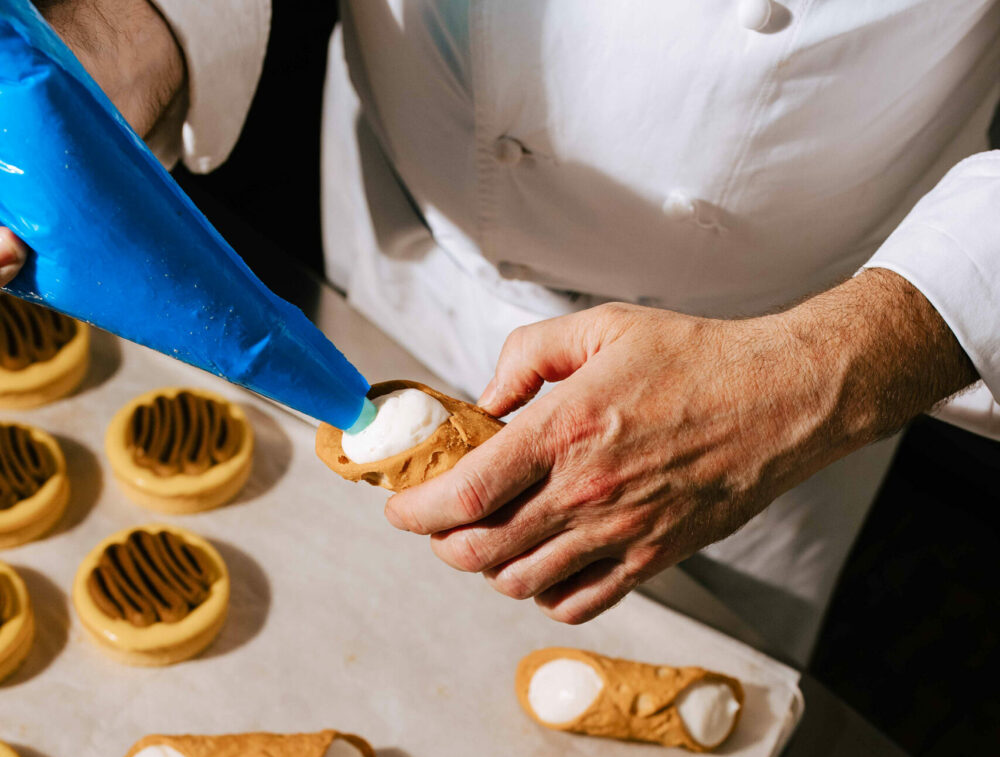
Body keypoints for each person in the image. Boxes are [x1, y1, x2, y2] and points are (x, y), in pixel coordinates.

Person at [4, 0, 998, 665]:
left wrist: (825, 369)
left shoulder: (800, 371)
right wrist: (134, 19)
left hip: (773, 354)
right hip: (399, 245)